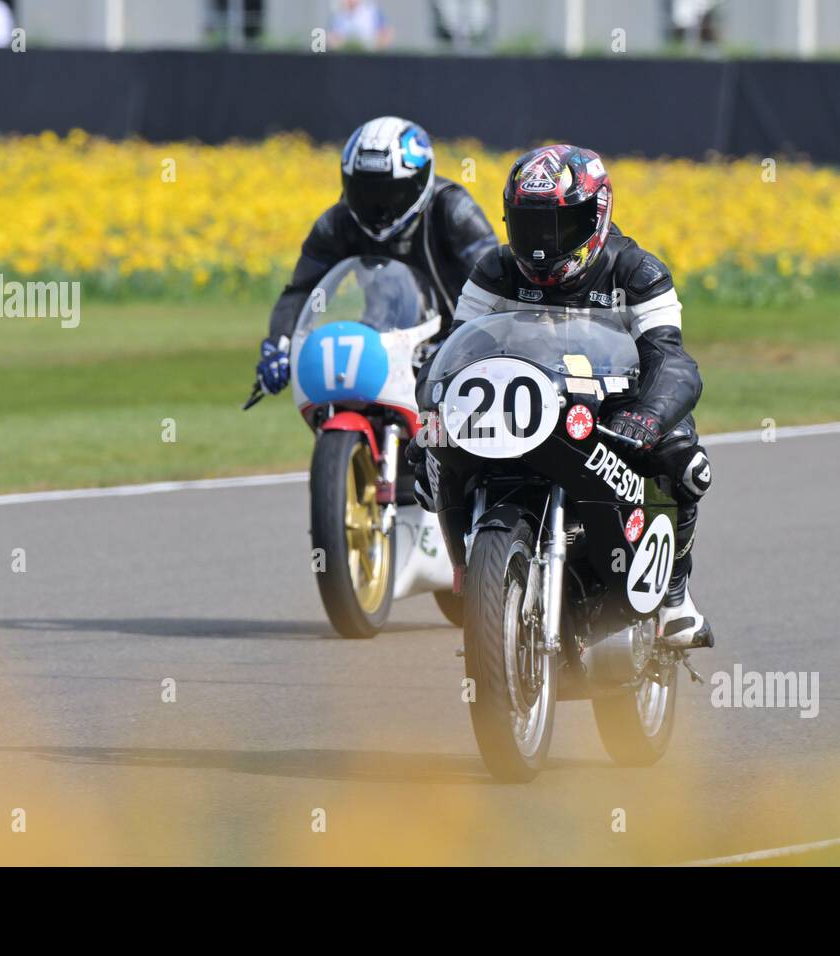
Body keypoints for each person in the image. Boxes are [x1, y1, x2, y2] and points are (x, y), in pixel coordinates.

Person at [415, 145, 714, 649]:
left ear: (597, 215)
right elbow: (455, 351)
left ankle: (675, 599)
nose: (542, 244)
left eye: (560, 225)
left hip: (611, 412)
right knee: (425, 459)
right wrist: (430, 418)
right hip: (521, 409)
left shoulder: (638, 273)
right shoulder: (494, 271)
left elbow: (672, 360)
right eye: (530, 227)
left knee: (685, 460)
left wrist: (647, 416)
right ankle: (479, 572)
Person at [255, 116, 497, 396]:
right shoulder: (337, 222)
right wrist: (280, 344)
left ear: (420, 183)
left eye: (391, 193)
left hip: (459, 344)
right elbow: (301, 290)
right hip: (382, 343)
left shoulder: (453, 210)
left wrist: (471, 338)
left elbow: (492, 282)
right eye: (364, 192)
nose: (378, 208)